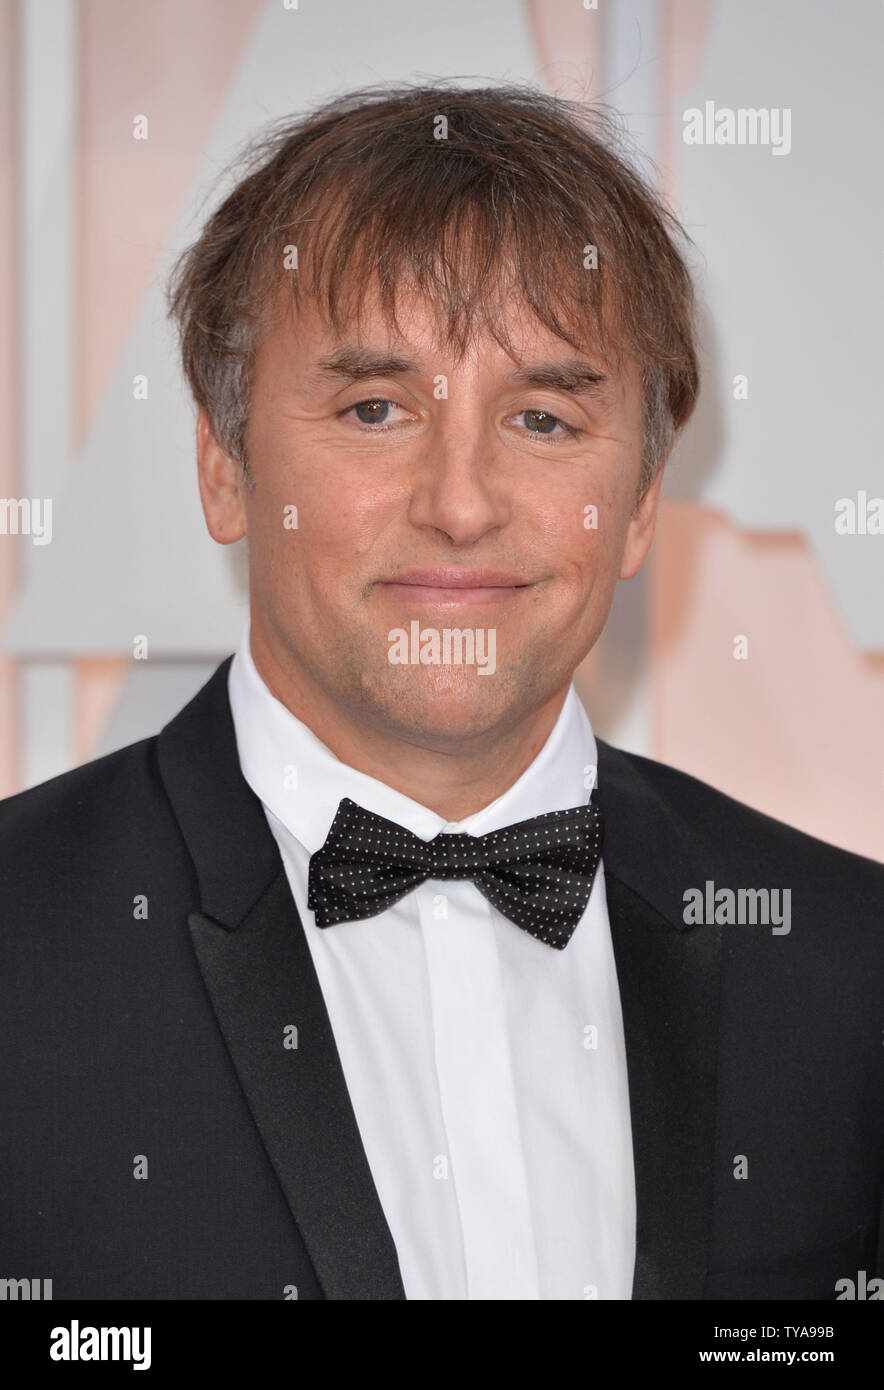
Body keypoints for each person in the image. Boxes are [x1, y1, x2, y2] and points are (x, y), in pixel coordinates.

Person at [1, 84, 881, 1302]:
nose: (460, 503)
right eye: (375, 409)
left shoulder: (850, 966)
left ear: (636, 502)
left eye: (540, 417)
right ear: (224, 466)